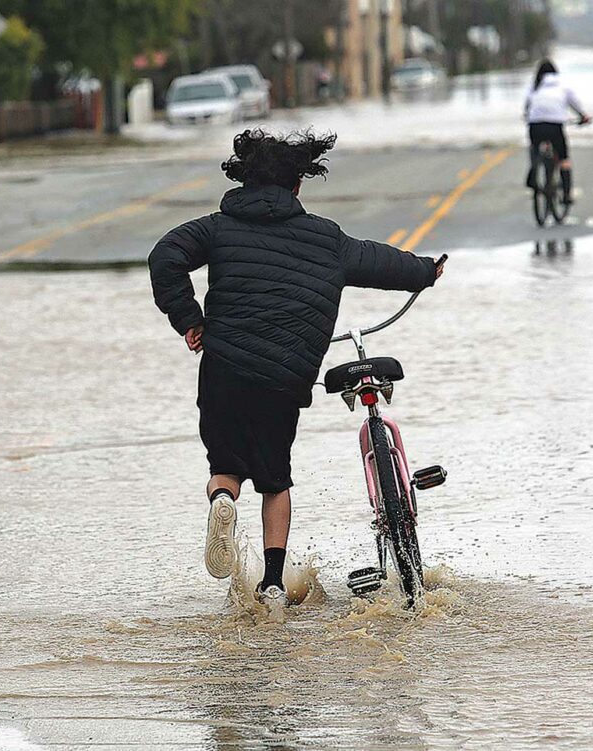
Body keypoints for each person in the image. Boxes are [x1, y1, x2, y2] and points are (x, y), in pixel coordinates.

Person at [148, 129, 444, 614]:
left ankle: (222, 500)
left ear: (243, 181)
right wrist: (426, 271)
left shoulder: (216, 228)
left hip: (223, 366)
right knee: (275, 480)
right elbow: (380, 262)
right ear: (298, 186)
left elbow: (165, 256)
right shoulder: (327, 238)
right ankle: (271, 583)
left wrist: (189, 320)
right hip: (284, 378)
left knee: (225, 467)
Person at [524, 60, 592, 205]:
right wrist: (583, 117)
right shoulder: (562, 86)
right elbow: (576, 105)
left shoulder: (534, 87)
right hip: (555, 126)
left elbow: (527, 108)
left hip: (535, 125)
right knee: (563, 159)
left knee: (534, 150)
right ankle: (566, 195)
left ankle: (534, 171)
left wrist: (528, 117)